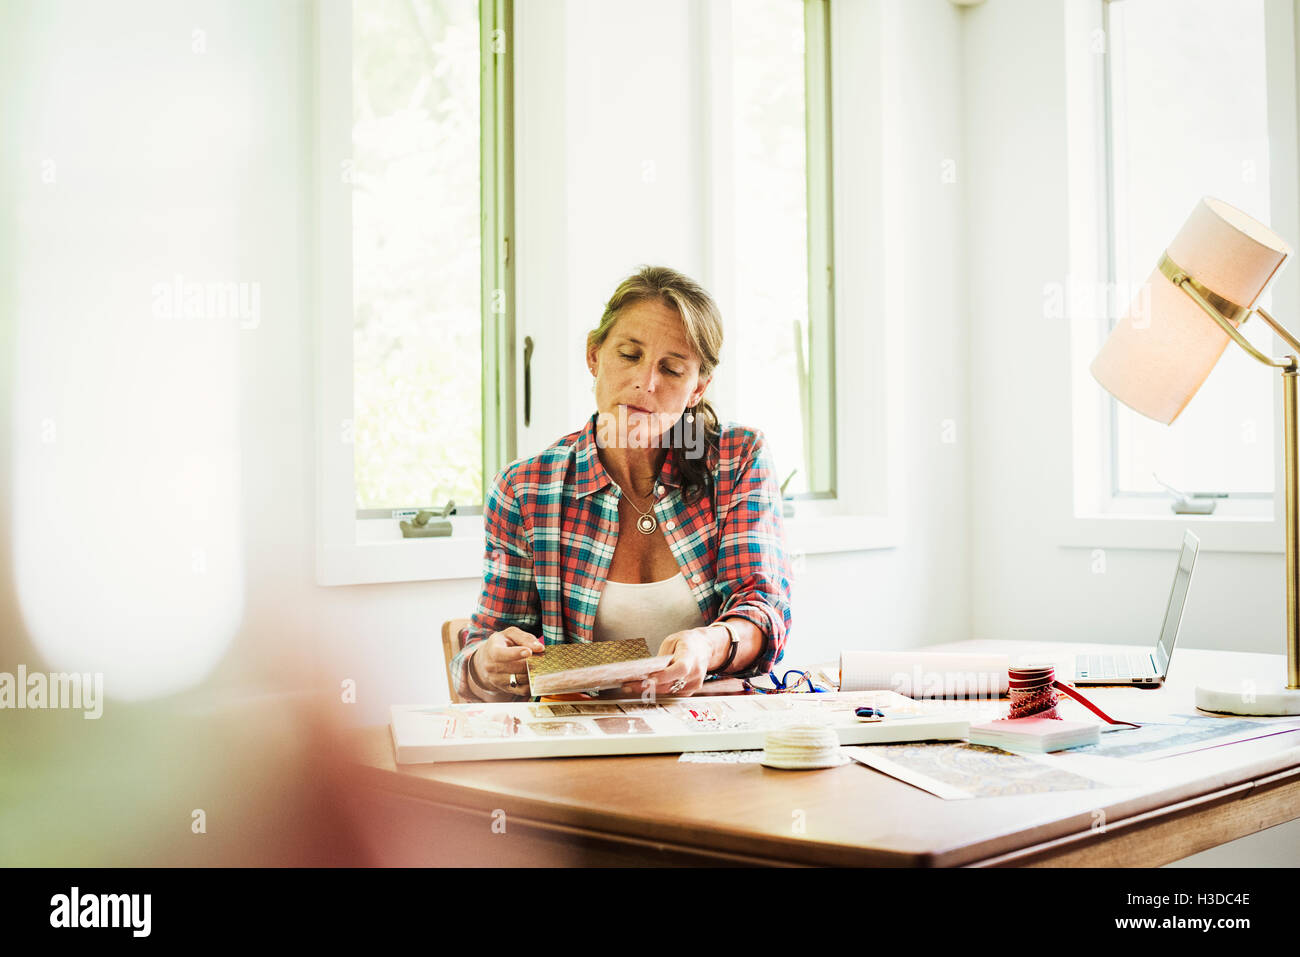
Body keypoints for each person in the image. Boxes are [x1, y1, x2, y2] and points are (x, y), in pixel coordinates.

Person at [451, 265, 792, 701]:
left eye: (671, 369)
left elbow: (763, 610)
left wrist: (707, 645)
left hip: (711, 725)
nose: (644, 383)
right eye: (629, 355)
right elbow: (483, 652)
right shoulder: (525, 488)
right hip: (583, 741)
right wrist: (487, 662)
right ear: (594, 355)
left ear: (697, 388)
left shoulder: (736, 457)